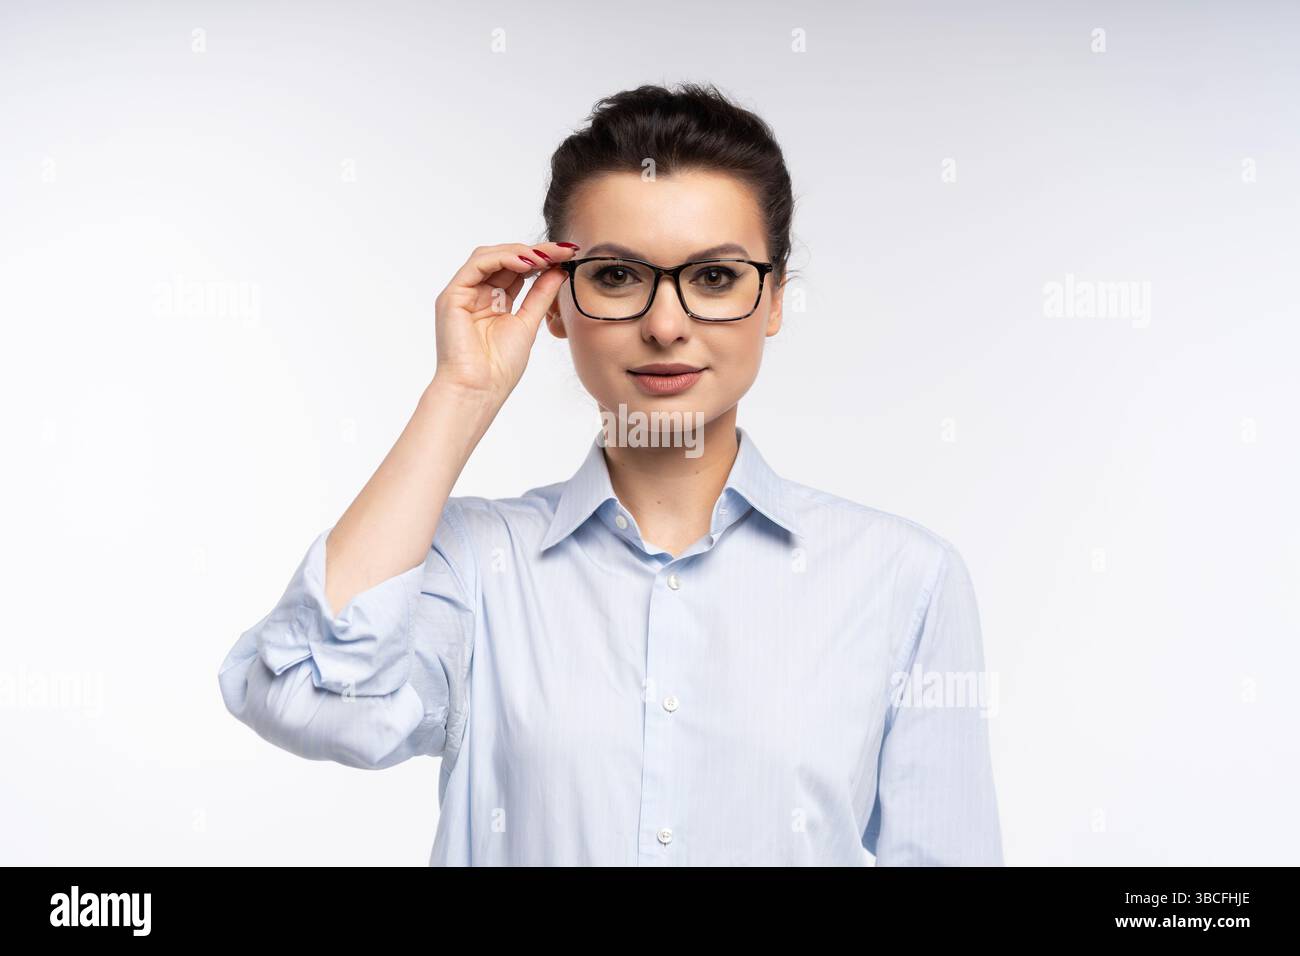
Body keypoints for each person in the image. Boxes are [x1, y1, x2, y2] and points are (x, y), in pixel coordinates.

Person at [217, 82, 1004, 866]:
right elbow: (307, 697)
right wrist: (461, 394)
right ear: (554, 303)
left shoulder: (905, 578)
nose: (666, 325)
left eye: (717, 278)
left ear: (773, 301)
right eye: (619, 277)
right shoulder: (475, 563)